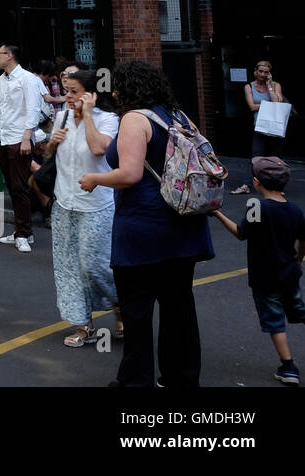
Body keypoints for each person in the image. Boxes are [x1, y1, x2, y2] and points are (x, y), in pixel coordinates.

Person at [79, 61, 215, 388]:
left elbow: (130, 174)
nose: (113, 91)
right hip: (184, 226)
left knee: (137, 312)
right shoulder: (180, 116)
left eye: (118, 85)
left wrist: (95, 178)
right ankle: (181, 378)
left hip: (143, 228)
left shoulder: (134, 119)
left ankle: (134, 382)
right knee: (179, 307)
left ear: (131, 88)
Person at [43, 69, 121, 348]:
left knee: (96, 265)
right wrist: (52, 143)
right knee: (69, 267)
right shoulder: (61, 117)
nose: (69, 97)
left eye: (75, 91)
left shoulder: (109, 119)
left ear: (91, 94)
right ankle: (84, 325)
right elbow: (49, 156)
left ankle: (118, 305)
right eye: (66, 91)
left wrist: (87, 115)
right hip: (65, 201)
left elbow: (101, 149)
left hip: (97, 204)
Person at [211, 156, 305, 385]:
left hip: (265, 278)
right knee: (299, 311)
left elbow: (241, 233)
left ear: (256, 182)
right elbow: (303, 241)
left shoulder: (257, 206)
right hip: (290, 274)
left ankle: (289, 367)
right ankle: (287, 367)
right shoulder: (295, 210)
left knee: (275, 322)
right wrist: (299, 259)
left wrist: (217, 213)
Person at [0, 42, 45, 252]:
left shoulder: (28, 79)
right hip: (4, 138)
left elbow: (33, 109)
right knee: (12, 186)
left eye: (0, 54)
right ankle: (21, 231)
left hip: (19, 138)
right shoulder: (1, 80)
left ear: (10, 56)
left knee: (19, 187)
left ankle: (24, 233)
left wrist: (26, 138)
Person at [235, 61, 289, 194]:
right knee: (255, 156)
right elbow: (251, 107)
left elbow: (277, 102)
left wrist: (270, 85)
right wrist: (269, 104)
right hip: (260, 127)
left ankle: (276, 188)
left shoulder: (276, 85)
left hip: (276, 128)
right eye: (261, 71)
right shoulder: (249, 87)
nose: (263, 74)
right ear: (255, 71)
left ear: (269, 73)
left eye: (266, 72)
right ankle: (247, 185)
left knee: (276, 158)